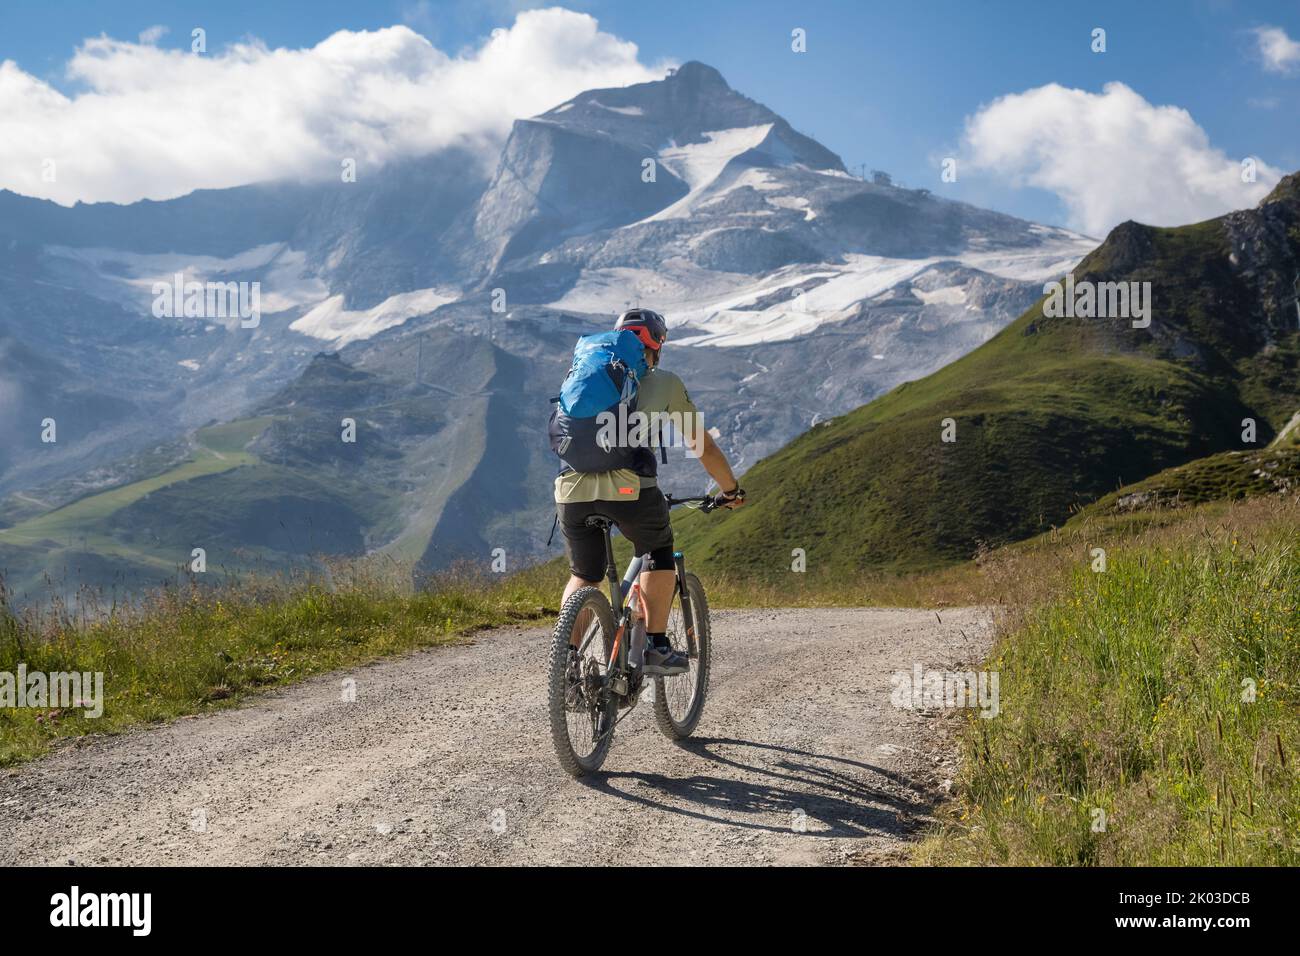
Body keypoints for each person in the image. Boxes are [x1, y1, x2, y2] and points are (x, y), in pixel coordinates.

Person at [554, 309, 745, 675]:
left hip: (571, 490)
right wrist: (730, 490)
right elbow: (702, 446)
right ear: (656, 345)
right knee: (658, 550)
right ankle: (655, 645)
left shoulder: (585, 377)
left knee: (585, 574)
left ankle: (565, 663)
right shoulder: (665, 382)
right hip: (630, 490)